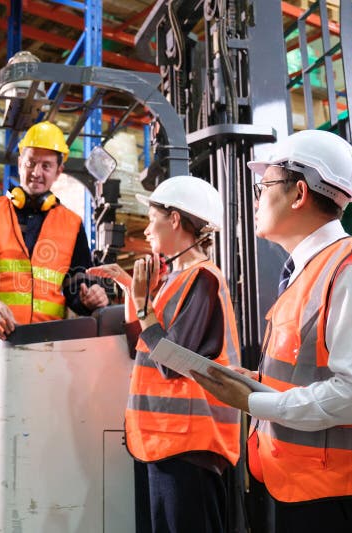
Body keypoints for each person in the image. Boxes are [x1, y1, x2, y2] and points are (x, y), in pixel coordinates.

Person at [193, 129, 352, 532]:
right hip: (298, 487)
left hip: (338, 501)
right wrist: (259, 383)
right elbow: (310, 370)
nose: (257, 199)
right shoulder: (310, 271)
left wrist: (256, 403)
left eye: (265, 185)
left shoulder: (351, 274)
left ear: (297, 194)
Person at [0, 120, 110, 533]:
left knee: (39, 443)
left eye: (45, 165)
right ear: (18, 164)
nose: (36, 172)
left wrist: (88, 294)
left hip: (45, 349)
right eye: (29, 163)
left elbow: (75, 283)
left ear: (58, 171)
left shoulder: (72, 224)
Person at [89, 175, 242, 533]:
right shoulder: (174, 281)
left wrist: (143, 305)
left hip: (189, 448)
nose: (146, 230)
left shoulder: (205, 280)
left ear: (175, 219)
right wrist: (132, 291)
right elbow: (140, 345)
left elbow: (173, 362)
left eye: (153, 216)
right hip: (162, 442)